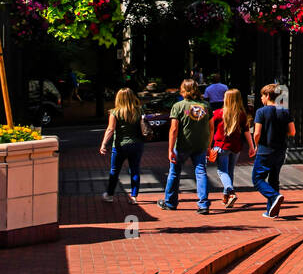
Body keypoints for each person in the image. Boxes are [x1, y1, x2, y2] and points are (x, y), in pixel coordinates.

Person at [158, 79, 213, 214]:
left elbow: (174, 129)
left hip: (182, 145)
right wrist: (208, 145)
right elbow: (211, 128)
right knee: (201, 172)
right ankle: (203, 204)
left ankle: (170, 202)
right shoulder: (206, 106)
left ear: (183, 90)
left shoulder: (178, 106)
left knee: (174, 173)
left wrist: (170, 149)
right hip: (200, 145)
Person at [252, 84, 295, 217]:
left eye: (262, 96)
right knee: (274, 179)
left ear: (268, 96)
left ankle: (275, 196)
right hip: (280, 150)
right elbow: (292, 132)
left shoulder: (261, 112)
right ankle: (272, 211)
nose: (261, 98)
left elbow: (257, 133)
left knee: (257, 179)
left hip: (265, 150)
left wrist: (256, 145)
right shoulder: (285, 111)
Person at [99, 88, 148, 202]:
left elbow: (110, 129)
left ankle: (110, 195)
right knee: (135, 170)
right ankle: (134, 196)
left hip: (120, 146)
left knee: (114, 171)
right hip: (137, 145)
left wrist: (103, 144)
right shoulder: (139, 110)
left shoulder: (115, 112)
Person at [212, 88, 255, 208]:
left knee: (222, 171)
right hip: (236, 147)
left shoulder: (218, 113)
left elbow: (210, 130)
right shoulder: (242, 114)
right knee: (230, 171)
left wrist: (208, 145)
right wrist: (252, 147)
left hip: (221, 146)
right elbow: (247, 132)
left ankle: (230, 191)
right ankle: (226, 197)